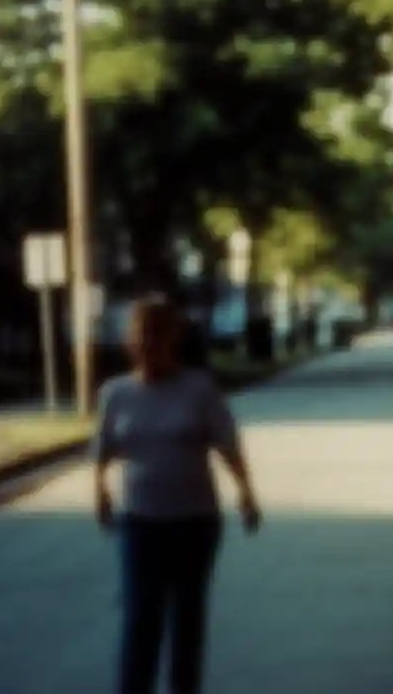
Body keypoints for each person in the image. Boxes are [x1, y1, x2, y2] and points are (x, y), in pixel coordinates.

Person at [92, 295, 261, 694]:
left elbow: (228, 445)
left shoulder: (198, 390)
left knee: (187, 619)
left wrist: (246, 493)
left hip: (194, 523)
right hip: (140, 523)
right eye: (140, 336)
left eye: (156, 335)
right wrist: (100, 491)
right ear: (130, 342)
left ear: (173, 338)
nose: (147, 345)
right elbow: (102, 450)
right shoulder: (115, 394)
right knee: (140, 619)